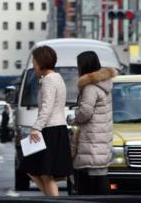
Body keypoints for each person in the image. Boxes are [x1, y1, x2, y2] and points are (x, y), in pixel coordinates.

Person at [19, 46, 72, 197]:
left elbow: (47, 107)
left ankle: (52, 200)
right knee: (37, 170)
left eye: (34, 61)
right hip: (56, 128)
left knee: (44, 173)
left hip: (49, 129)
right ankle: (50, 198)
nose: (33, 65)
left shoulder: (48, 80)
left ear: (41, 62)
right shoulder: (57, 78)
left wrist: (36, 127)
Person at [69, 51, 116, 195]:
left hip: (91, 140)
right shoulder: (104, 84)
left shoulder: (90, 87)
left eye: (79, 66)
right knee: (100, 176)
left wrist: (73, 118)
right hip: (101, 139)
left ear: (84, 67)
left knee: (87, 185)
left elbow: (85, 113)